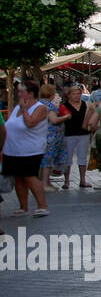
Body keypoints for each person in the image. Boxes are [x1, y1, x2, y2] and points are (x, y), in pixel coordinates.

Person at [3, 81, 50, 216]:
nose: (19, 94)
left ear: (30, 93)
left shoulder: (40, 107)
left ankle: (42, 205)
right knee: (18, 177)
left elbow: (30, 123)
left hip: (30, 150)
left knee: (29, 176)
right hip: (12, 150)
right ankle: (23, 207)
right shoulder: (17, 107)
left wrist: (24, 109)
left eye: (21, 91)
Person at [61, 84, 97, 190]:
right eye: (73, 94)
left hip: (83, 134)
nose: (76, 96)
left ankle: (83, 180)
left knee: (82, 157)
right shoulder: (64, 106)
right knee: (68, 158)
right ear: (69, 95)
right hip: (69, 134)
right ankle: (66, 180)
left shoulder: (86, 105)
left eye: (78, 94)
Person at [39, 83, 69, 192]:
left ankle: (47, 182)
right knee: (47, 161)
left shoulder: (39, 103)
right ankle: (45, 183)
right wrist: (65, 117)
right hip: (50, 137)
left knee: (46, 161)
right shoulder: (48, 106)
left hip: (44, 136)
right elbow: (54, 120)